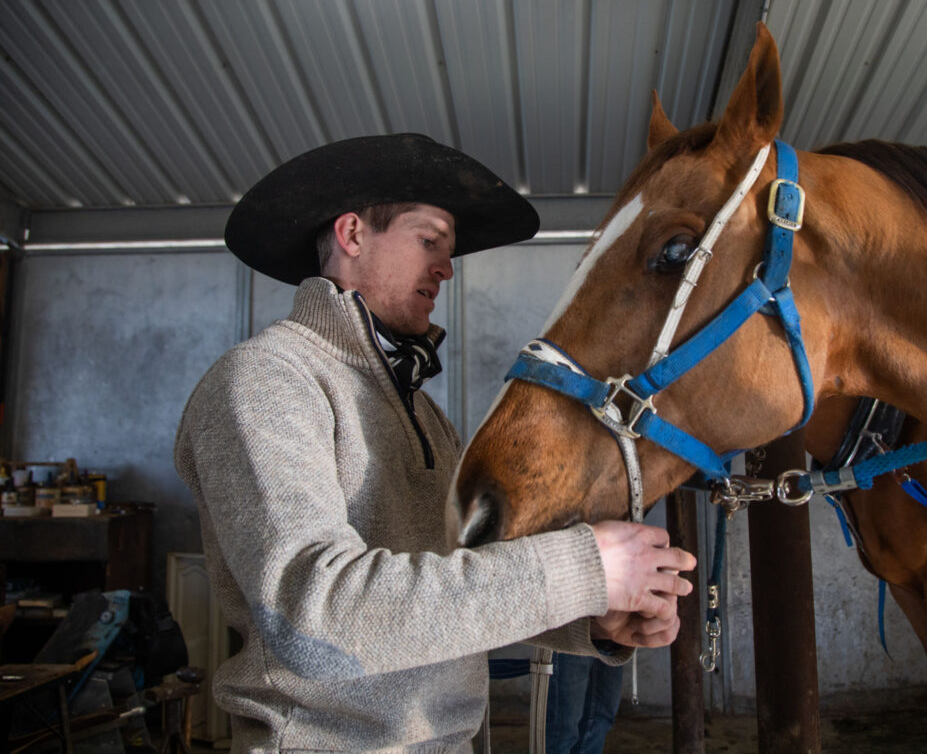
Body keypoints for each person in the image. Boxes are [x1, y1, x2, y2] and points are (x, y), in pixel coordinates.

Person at [174, 133, 696, 754]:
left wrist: (595, 617)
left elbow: (452, 590)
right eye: (428, 241)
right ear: (352, 235)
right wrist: (585, 569)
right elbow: (315, 615)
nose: (447, 268)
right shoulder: (266, 380)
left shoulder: (419, 409)